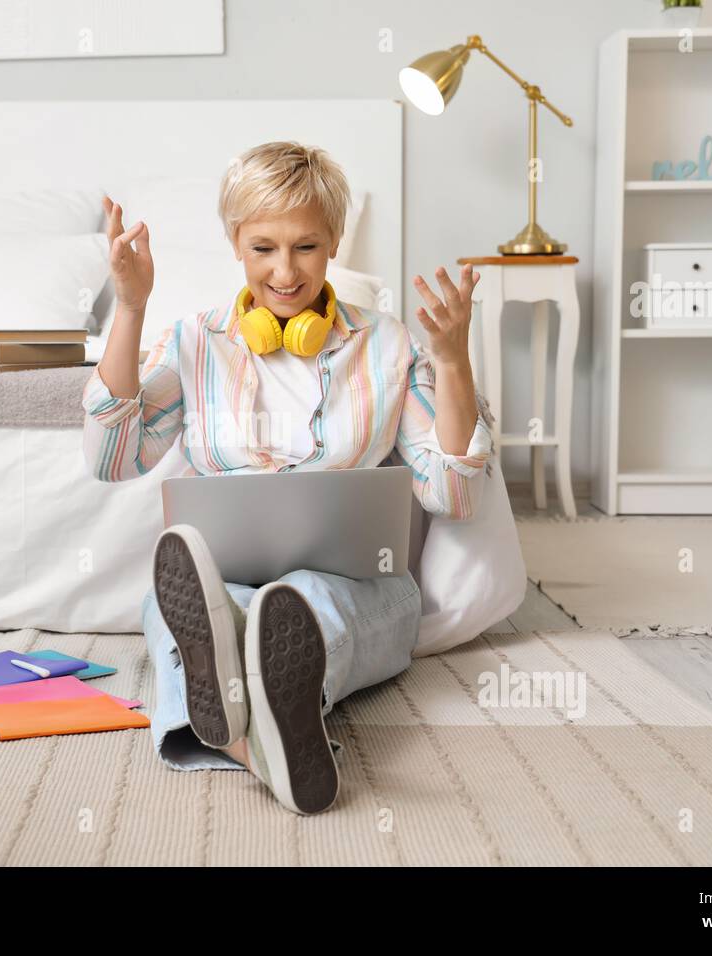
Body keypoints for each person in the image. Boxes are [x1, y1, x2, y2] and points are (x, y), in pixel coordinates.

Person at [80, 141, 492, 815]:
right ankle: (269, 735)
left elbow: (453, 494)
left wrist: (452, 364)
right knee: (179, 601)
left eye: (306, 247)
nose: (284, 270)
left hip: (360, 587)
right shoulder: (193, 339)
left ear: (333, 244)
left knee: (304, 598)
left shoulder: (387, 342)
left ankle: (241, 717)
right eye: (263, 247)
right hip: (225, 579)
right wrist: (129, 308)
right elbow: (110, 459)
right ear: (235, 245)